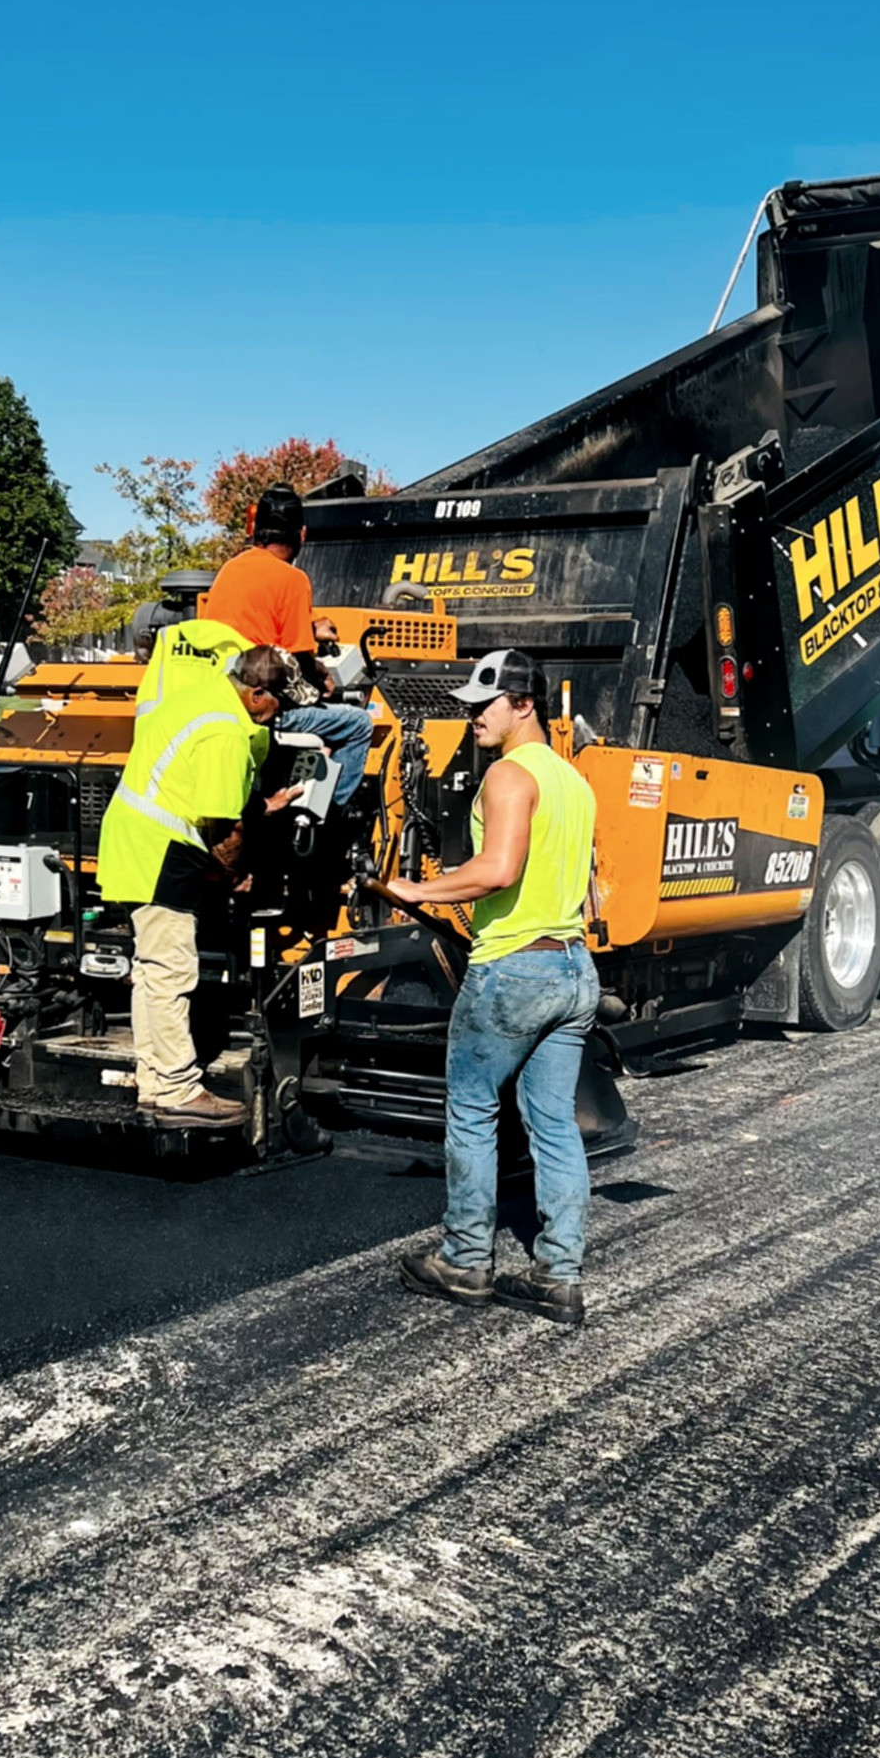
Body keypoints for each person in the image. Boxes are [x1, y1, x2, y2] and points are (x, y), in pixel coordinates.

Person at [380, 649, 599, 1323]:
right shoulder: (573, 782)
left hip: (514, 969)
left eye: (484, 702)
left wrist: (415, 887)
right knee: (555, 1124)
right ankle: (559, 1276)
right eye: (469, 703)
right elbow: (589, 890)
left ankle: (466, 1260)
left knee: (473, 1110)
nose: (471, 713)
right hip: (572, 967)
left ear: (524, 703)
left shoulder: (509, 775)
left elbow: (499, 869)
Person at [97, 640, 292, 1129]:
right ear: (256, 694)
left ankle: (155, 1081)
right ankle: (180, 1089)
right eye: (277, 700)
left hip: (138, 842)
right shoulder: (226, 733)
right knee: (171, 971)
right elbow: (223, 830)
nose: (279, 711)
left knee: (151, 972)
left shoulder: (206, 695)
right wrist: (236, 875)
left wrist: (260, 808)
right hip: (160, 850)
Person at [202, 482, 375, 805]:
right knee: (358, 723)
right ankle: (330, 818)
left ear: (255, 529)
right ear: (302, 533)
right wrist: (323, 674)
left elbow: (255, 626)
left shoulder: (229, 570)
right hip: (269, 709)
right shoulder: (293, 580)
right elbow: (298, 655)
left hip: (225, 698)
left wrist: (310, 625)